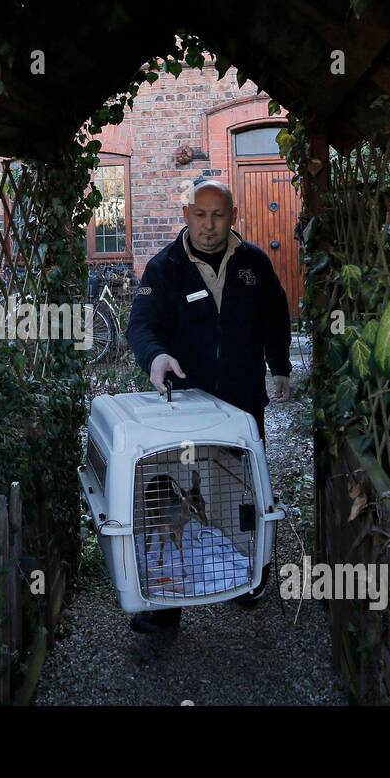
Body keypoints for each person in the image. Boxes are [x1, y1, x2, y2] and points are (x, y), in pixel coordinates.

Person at [124, 178, 293, 634]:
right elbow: (140, 324)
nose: (209, 225)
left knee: (244, 491)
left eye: (218, 215)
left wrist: (280, 366)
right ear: (186, 216)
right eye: (200, 215)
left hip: (240, 407)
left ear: (232, 216)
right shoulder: (163, 269)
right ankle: (162, 603)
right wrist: (156, 356)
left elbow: (277, 316)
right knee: (175, 492)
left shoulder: (254, 264)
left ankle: (248, 577)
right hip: (186, 407)